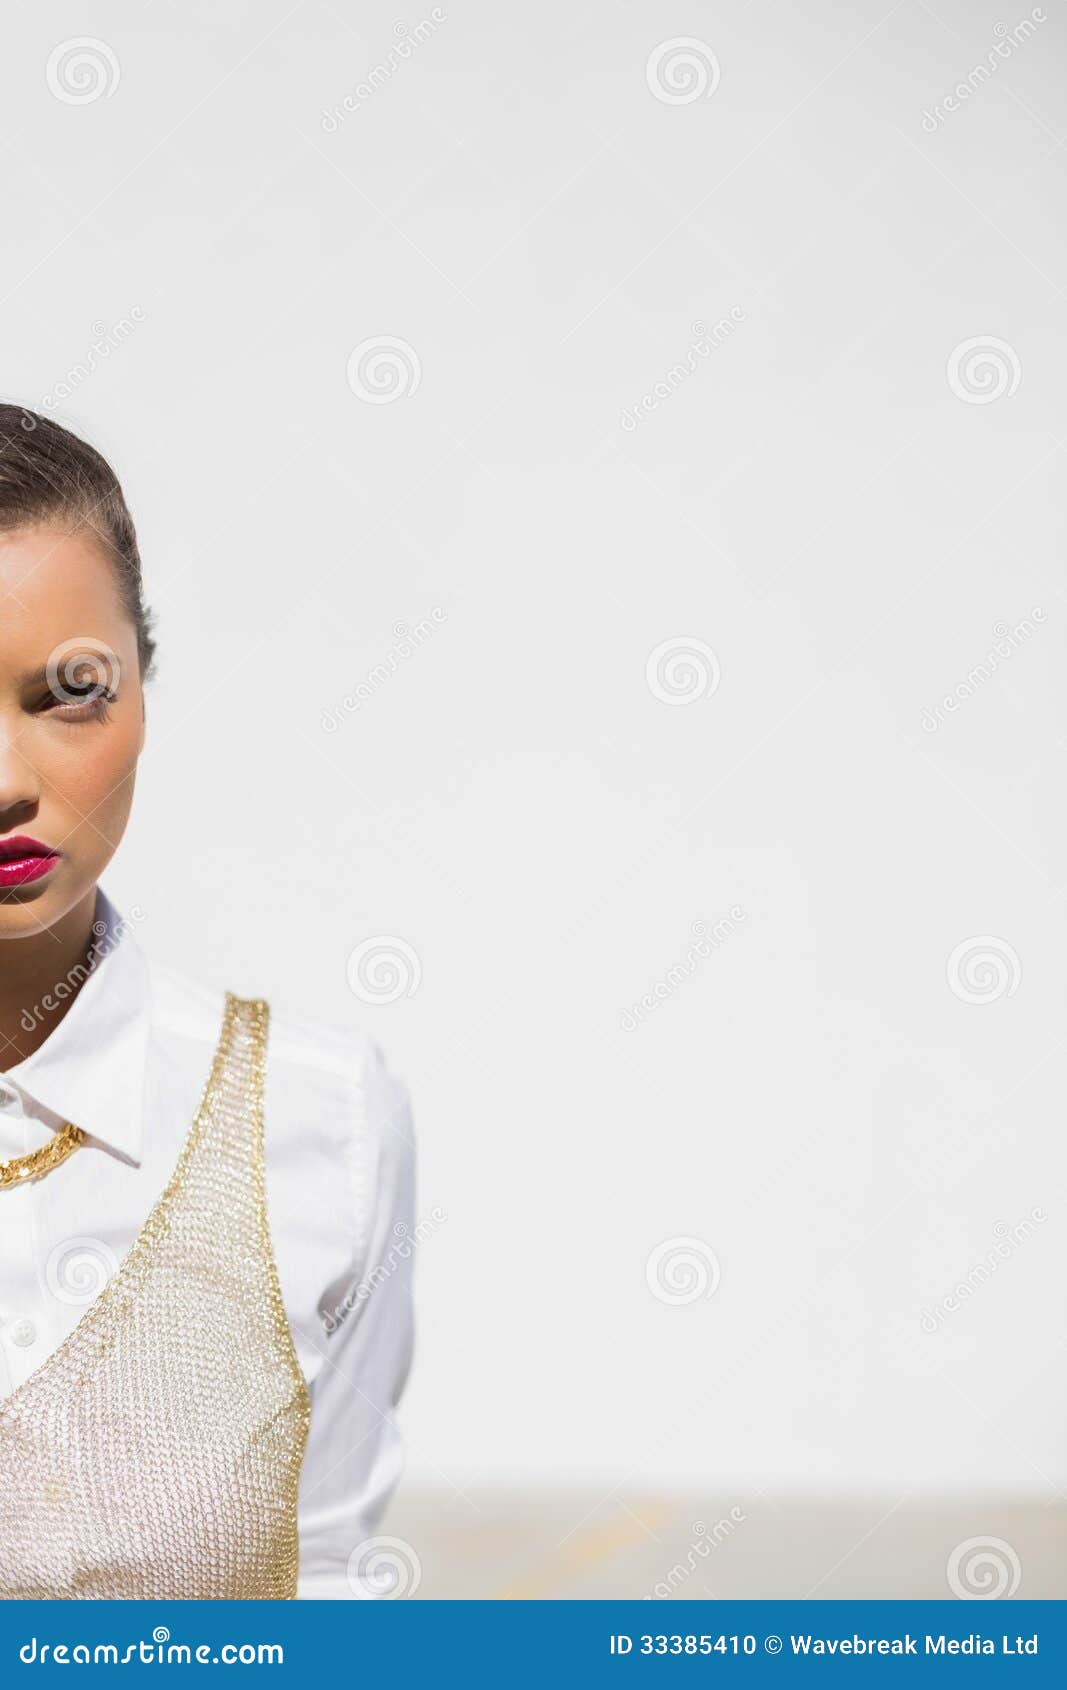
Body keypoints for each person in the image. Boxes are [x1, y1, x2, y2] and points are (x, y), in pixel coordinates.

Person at [0, 403, 415, 1599]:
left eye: (70, 692)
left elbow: (330, 1582)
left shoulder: (321, 1118)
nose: (6, 783)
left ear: (142, 689)